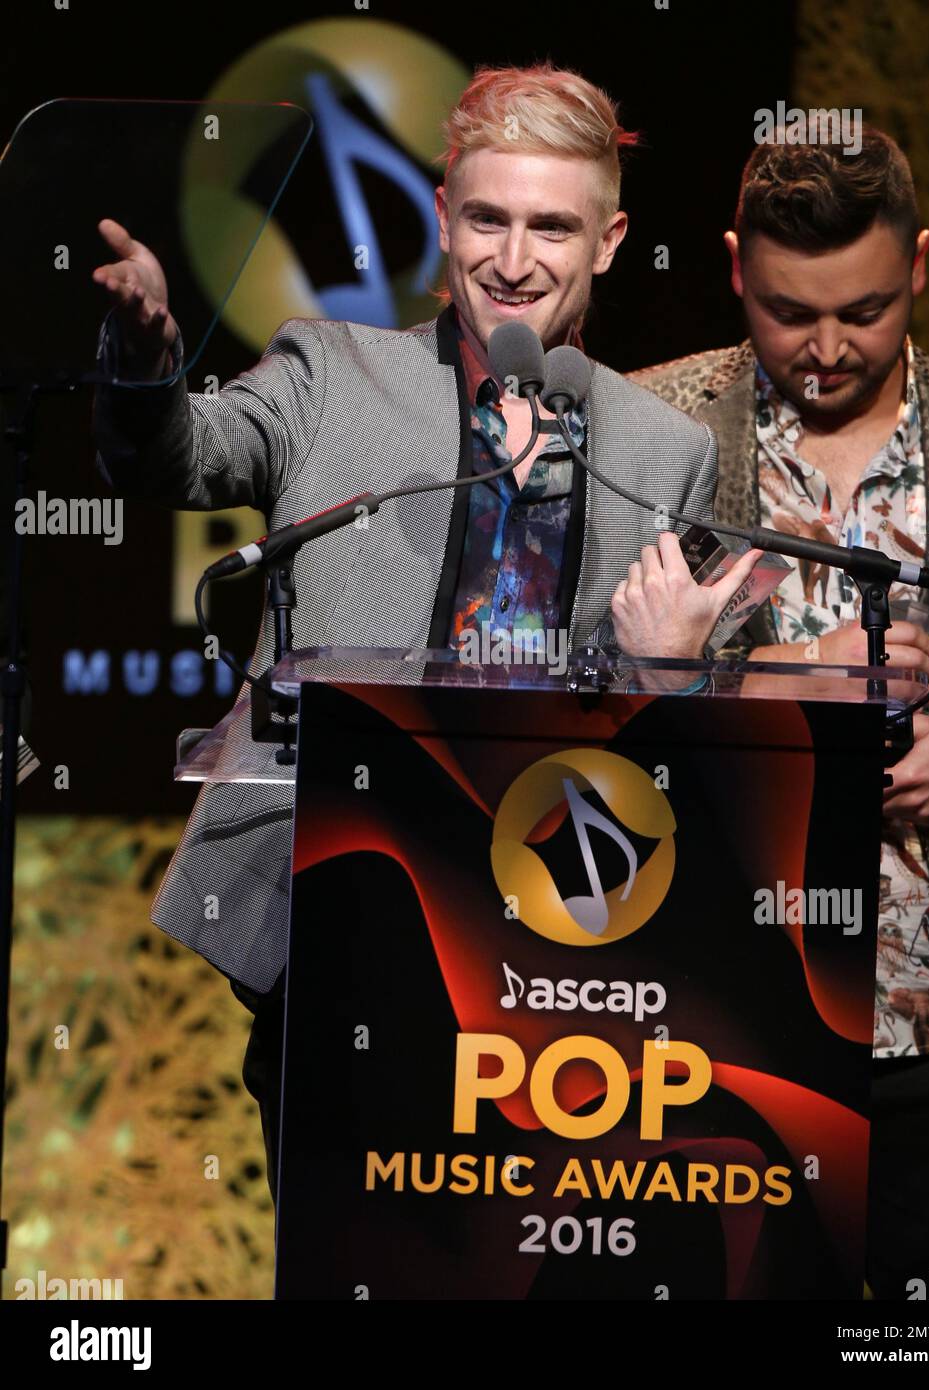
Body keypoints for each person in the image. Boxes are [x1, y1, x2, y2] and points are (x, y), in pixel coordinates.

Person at [90, 63, 757, 1200]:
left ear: (609, 241)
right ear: (443, 218)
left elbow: (703, 763)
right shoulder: (330, 374)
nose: (514, 259)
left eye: (553, 227)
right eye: (488, 218)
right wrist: (148, 361)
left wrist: (679, 671)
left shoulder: (665, 452)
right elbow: (178, 457)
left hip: (559, 965)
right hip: (339, 918)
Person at [625, 127, 929, 1298]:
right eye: (789, 312)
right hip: (719, 1034)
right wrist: (778, 678)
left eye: (866, 310)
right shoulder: (655, 430)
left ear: (921, 265)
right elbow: (563, 705)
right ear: (734, 267)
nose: (829, 348)